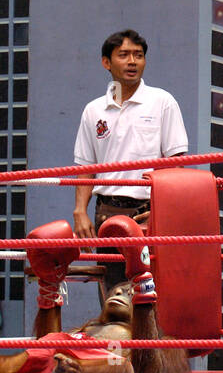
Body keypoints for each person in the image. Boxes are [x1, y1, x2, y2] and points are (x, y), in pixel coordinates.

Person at [0, 216, 189, 373]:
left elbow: (149, 370)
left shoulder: (159, 341)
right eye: (118, 290)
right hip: (63, 358)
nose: (119, 293)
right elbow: (49, 344)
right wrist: (49, 289)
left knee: (124, 369)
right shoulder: (87, 328)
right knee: (46, 347)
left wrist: (142, 285)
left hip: (105, 366)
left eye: (129, 293)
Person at [72, 30, 189, 297]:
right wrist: (80, 210)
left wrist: (162, 210)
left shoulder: (162, 102)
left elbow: (176, 164)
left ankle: (151, 341)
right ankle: (117, 341)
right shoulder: (93, 110)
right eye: (123, 55)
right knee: (115, 297)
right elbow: (86, 165)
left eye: (138, 55)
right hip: (107, 213)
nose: (132, 61)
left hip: (149, 213)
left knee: (153, 294)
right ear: (106, 62)